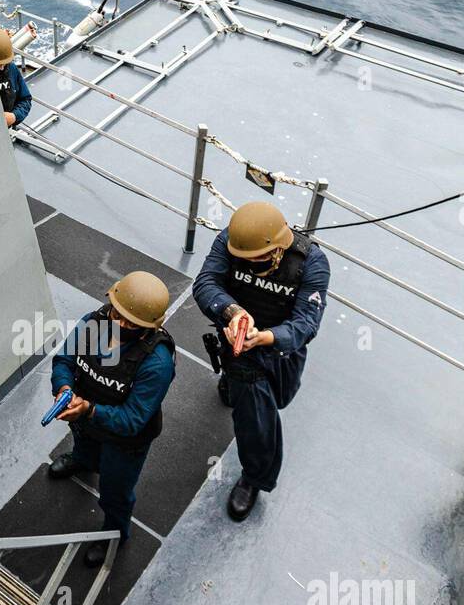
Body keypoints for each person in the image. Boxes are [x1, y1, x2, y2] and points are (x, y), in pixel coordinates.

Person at [193, 201, 330, 521]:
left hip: (280, 346)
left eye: (258, 261)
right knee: (257, 417)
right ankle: (255, 477)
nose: (250, 265)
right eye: (244, 261)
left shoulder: (312, 263)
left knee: (281, 397)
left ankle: (232, 381)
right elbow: (206, 283)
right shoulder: (232, 241)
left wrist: (266, 337)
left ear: (278, 251)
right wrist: (232, 312)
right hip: (237, 342)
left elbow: (306, 323)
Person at [48, 271, 176, 566]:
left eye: (131, 323)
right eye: (117, 315)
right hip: (85, 419)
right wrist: (64, 388)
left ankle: (114, 535)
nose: (119, 325)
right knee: (84, 447)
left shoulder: (157, 363)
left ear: (150, 326)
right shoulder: (94, 323)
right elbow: (64, 360)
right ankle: (83, 461)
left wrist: (89, 409)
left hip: (125, 440)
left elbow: (133, 420)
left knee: (115, 492)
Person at [0, 26, 32, 128]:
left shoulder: (12, 69)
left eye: (4, 63)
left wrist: (14, 116)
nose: (1, 68)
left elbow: (25, 99)